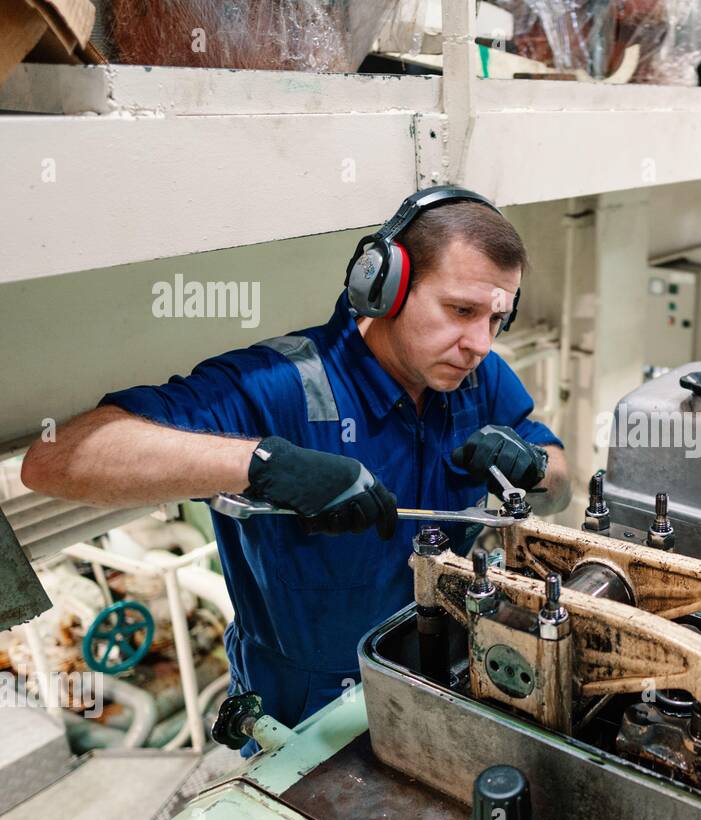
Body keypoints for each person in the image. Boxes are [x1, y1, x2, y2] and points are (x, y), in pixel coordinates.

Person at [22, 187, 570, 752]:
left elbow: (559, 485)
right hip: (308, 710)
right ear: (384, 286)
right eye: (461, 311)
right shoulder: (278, 387)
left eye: (495, 319)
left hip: (442, 671)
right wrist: (257, 462)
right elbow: (56, 459)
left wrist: (533, 468)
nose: (480, 343)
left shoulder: (482, 381)